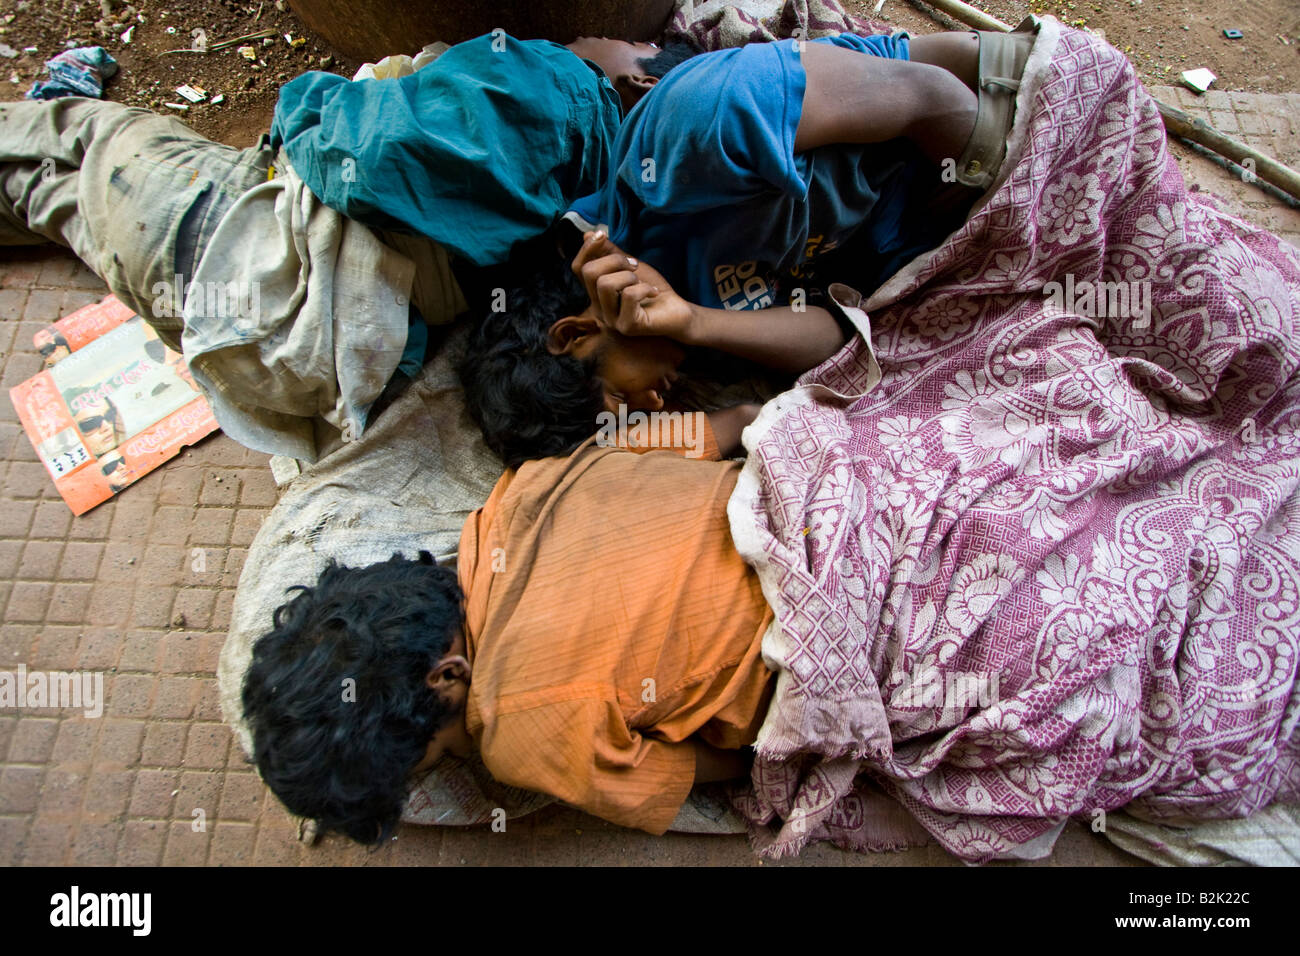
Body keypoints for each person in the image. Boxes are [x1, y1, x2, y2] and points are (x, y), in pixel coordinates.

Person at [0, 33, 690, 460]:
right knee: (51, 200)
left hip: (199, 222)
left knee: (79, 132)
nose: (656, 405)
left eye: (620, 36)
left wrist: (313, 108)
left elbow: (348, 132)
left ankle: (52, 110)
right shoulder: (565, 224)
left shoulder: (556, 101)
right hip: (205, 305)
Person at [458, 24, 1041, 467]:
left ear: (573, 333)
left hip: (1008, 118)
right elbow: (839, 337)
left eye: (623, 402)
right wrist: (696, 324)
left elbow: (931, 95)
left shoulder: (675, 148)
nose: (659, 408)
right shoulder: (688, 337)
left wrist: (1005, 222)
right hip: (966, 216)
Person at [242, 409, 771, 843]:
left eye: (428, 760)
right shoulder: (522, 488)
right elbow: (714, 429)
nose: (443, 766)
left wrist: (760, 760)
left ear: (449, 675)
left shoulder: (516, 732)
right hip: (815, 484)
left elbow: (708, 770)